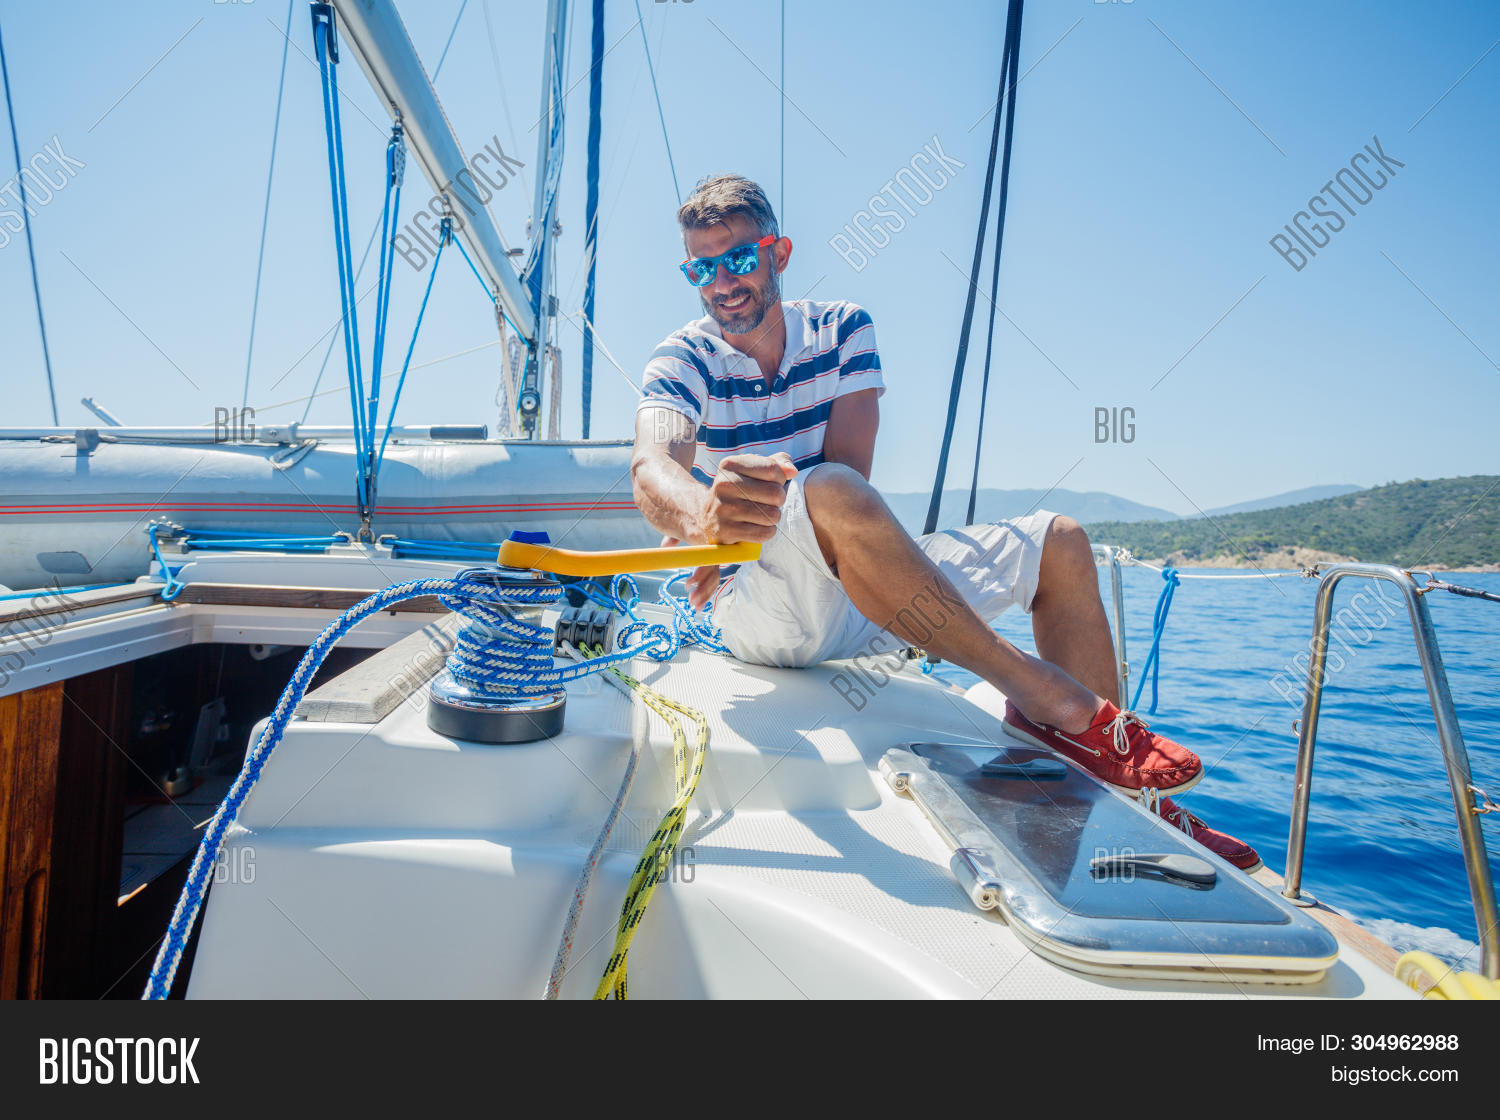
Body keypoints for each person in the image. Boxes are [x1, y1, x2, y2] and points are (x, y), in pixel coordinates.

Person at [630, 173, 1260, 872]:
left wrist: (773, 511)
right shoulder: (682, 358)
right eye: (701, 267)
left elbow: (848, 483)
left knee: (1060, 542)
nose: (722, 282)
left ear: (778, 254)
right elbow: (652, 466)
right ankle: (1046, 694)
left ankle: (1117, 797)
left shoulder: (843, 329)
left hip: (853, 581)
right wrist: (704, 515)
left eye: (739, 259)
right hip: (758, 603)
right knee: (831, 491)